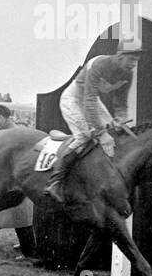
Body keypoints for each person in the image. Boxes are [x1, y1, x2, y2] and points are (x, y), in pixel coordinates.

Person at [47, 45, 142, 203]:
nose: (134, 64)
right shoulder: (98, 64)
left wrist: (119, 119)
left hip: (92, 101)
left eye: (136, 61)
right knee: (84, 137)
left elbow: (121, 104)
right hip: (74, 99)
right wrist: (100, 132)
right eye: (131, 59)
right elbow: (88, 103)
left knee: (115, 133)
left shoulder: (128, 74)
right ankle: (55, 181)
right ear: (119, 56)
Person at [0, 103, 35, 256]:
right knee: (17, 215)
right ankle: (25, 245)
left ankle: (29, 252)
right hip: (10, 180)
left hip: (18, 181)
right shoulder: (4, 131)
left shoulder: (14, 133)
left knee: (21, 215)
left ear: (2, 117)